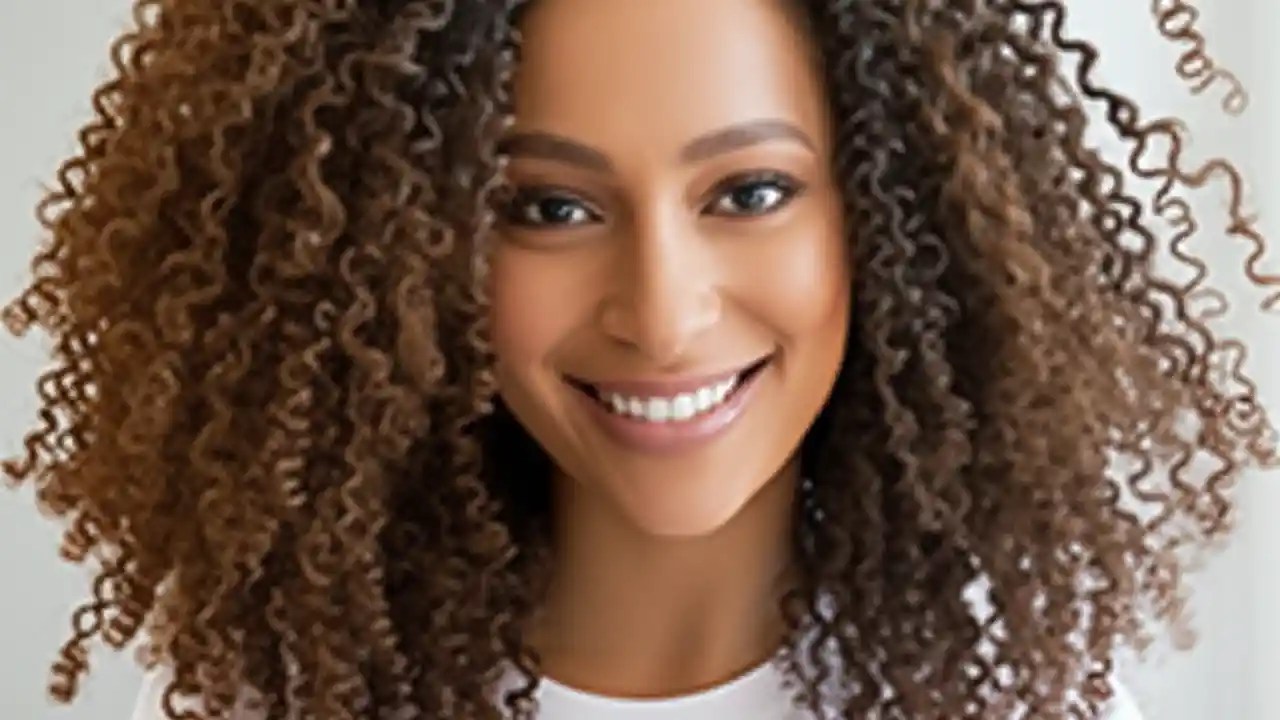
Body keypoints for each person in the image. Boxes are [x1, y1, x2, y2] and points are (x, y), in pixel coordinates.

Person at [6, 0, 1276, 717]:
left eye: (750, 191)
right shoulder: (267, 702)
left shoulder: (1049, 701)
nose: (660, 316)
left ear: (899, 220)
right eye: (549, 209)